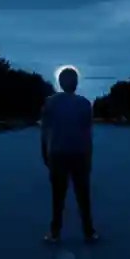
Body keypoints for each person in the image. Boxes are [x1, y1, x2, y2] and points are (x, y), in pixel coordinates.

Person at [40, 67, 98, 243]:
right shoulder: (85, 103)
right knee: (83, 196)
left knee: (58, 197)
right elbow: (87, 133)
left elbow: (45, 131)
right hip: (80, 153)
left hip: (58, 154)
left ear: (60, 82)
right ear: (76, 83)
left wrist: (45, 153)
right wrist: (89, 156)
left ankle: (55, 232)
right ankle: (89, 232)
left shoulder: (50, 103)